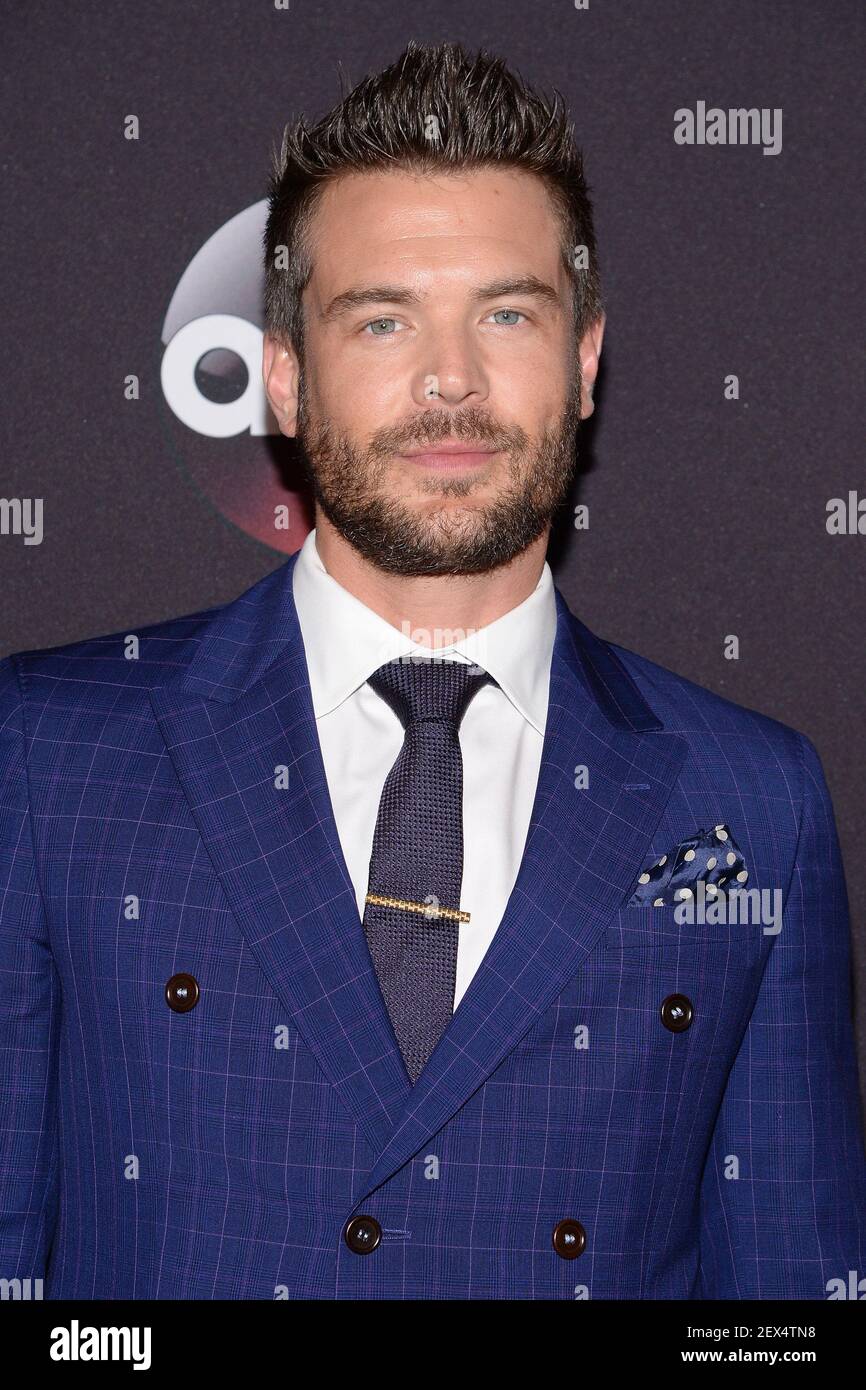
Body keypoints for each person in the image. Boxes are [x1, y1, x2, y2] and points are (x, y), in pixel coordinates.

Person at [1, 40, 864, 1302]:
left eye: (506, 314)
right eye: (383, 318)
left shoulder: (753, 799)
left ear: (582, 364)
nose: (450, 379)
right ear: (285, 378)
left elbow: (784, 1306)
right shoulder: (45, 756)